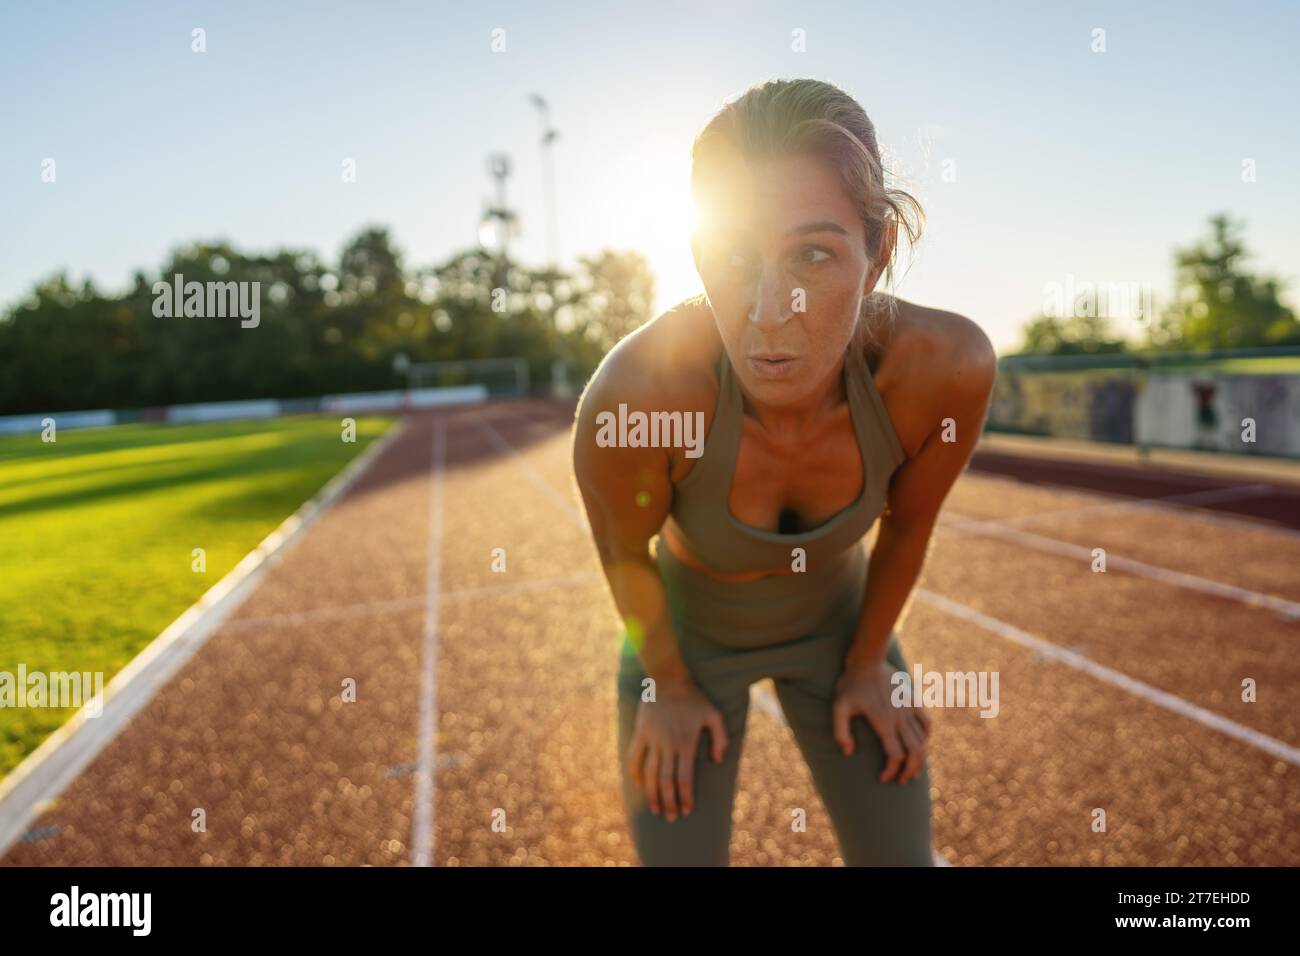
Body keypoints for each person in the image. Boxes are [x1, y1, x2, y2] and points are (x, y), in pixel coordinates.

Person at [571, 78, 996, 866]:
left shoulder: (943, 371)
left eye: (812, 254)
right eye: (735, 257)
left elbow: (909, 526)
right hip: (684, 641)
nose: (769, 311)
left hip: (843, 631)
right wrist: (666, 683)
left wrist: (870, 663)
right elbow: (625, 552)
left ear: (879, 255)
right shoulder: (640, 393)